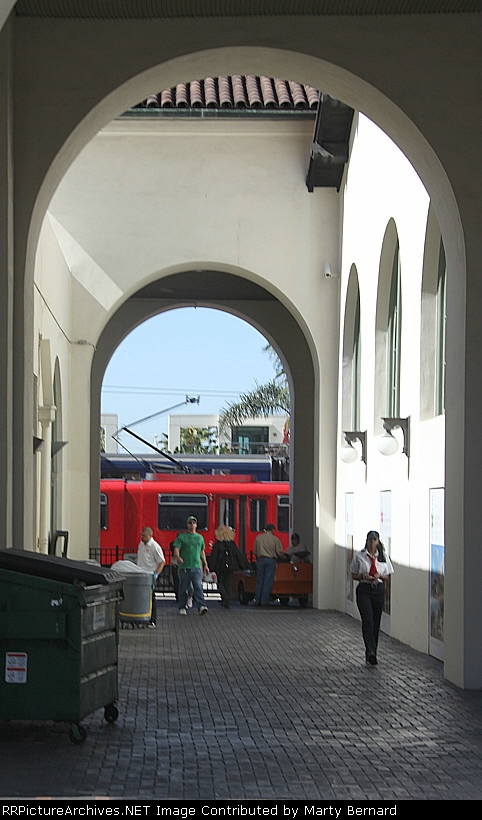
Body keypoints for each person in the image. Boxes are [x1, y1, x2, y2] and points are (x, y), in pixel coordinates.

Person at [350, 530, 394, 665]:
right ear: (367, 541)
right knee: (368, 620)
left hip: (377, 590)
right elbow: (353, 574)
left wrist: (379, 576)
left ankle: (373, 649)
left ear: (378, 541)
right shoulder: (360, 556)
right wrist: (363, 576)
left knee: (375, 622)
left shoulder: (383, 557)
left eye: (374, 540)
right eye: (370, 540)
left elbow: (388, 575)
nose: (372, 542)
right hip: (364, 589)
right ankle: (370, 651)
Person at [173, 515, 209, 616]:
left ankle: (201, 606)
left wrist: (205, 564)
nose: (192, 525)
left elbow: (202, 552)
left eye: (194, 523)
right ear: (187, 525)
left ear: (196, 525)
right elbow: (176, 549)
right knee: (184, 587)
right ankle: (182, 606)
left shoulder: (200, 538)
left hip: (196, 566)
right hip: (184, 567)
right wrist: (178, 557)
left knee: (198, 586)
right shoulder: (182, 537)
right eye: (190, 523)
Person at [208, 525, 248, 608]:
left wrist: (211, 567)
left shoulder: (218, 545)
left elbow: (214, 558)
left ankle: (225, 598)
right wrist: (244, 565)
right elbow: (238, 556)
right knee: (228, 584)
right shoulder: (232, 545)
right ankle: (227, 601)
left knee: (220, 583)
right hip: (230, 567)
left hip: (220, 567)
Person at [136, 526, 166, 628]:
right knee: (141, 597)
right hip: (140, 574)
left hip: (150, 575)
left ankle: (152, 619)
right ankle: (142, 617)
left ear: (150, 535)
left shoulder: (154, 546)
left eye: (144, 535)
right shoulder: (141, 545)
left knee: (150, 597)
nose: (141, 537)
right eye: (141, 535)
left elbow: (161, 562)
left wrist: (156, 574)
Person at [252, 523, 284, 606]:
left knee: (259, 581)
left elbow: (255, 552)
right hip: (270, 560)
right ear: (272, 529)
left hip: (260, 560)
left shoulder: (258, 538)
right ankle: (264, 601)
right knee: (267, 581)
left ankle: (257, 599)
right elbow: (279, 552)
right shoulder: (275, 539)